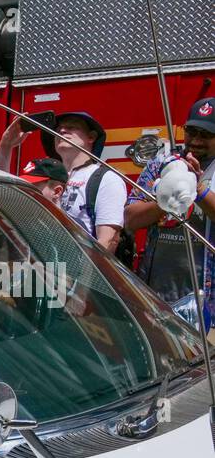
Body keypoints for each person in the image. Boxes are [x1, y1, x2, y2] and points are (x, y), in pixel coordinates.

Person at [124, 96, 215, 319]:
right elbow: (130, 219)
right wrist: (166, 199)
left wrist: (198, 189)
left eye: (207, 135)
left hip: (207, 300)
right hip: (156, 294)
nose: (196, 140)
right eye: (192, 131)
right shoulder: (160, 165)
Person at [43, 112, 126, 252]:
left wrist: (88, 274)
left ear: (91, 137)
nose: (62, 130)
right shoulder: (44, 177)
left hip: (78, 269)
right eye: (57, 130)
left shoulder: (107, 179)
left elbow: (108, 240)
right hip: (41, 267)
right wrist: (6, 146)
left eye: (72, 126)